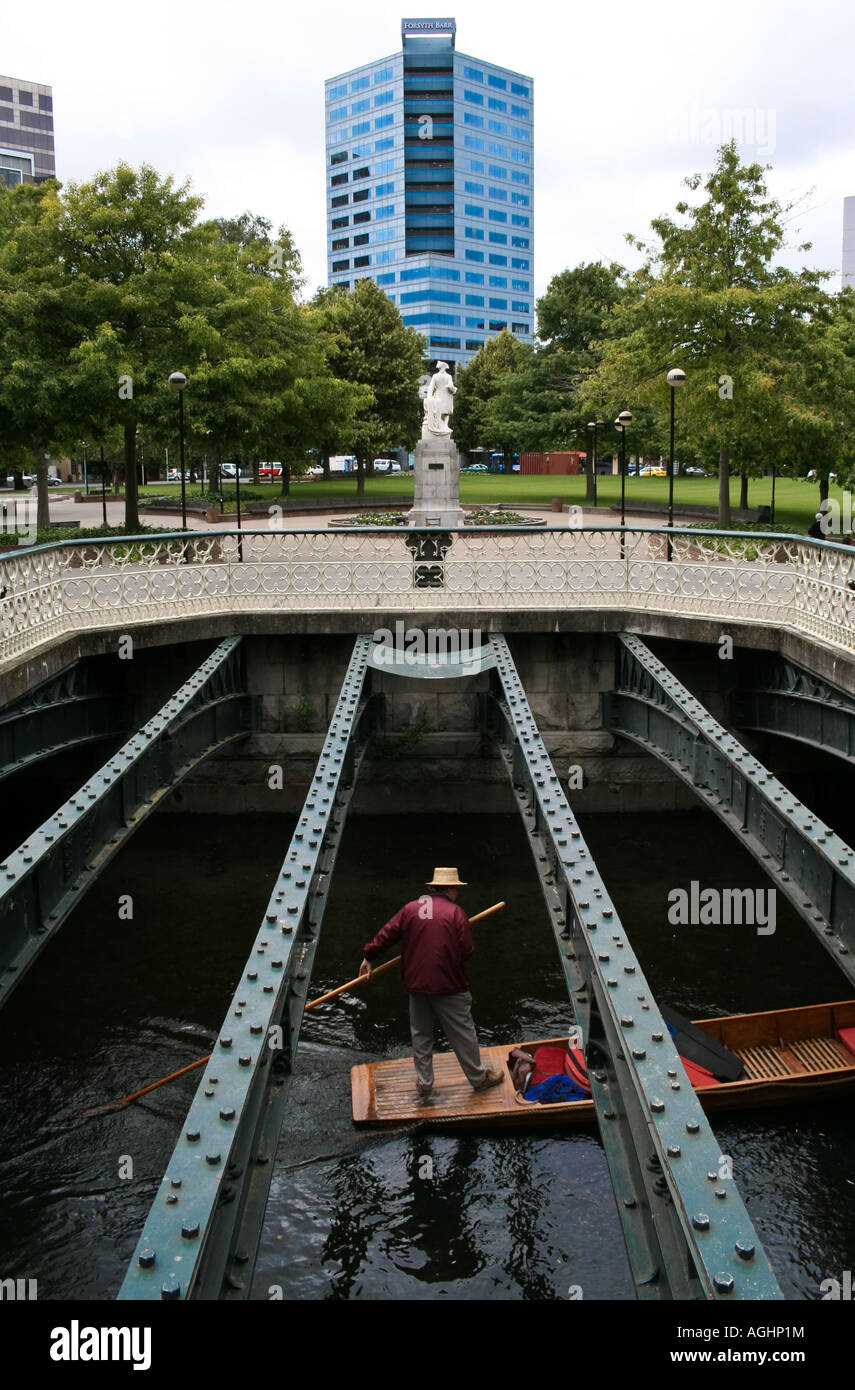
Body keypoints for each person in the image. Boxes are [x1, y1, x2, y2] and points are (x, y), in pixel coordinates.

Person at [358, 867, 503, 1098]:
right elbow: (466, 951)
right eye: (457, 889)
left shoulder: (411, 908)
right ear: (451, 889)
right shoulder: (456, 913)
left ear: (431, 888)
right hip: (449, 985)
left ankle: (425, 1083)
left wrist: (369, 956)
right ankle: (478, 1078)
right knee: (463, 1033)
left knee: (421, 1034)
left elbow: (387, 934)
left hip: (416, 984)